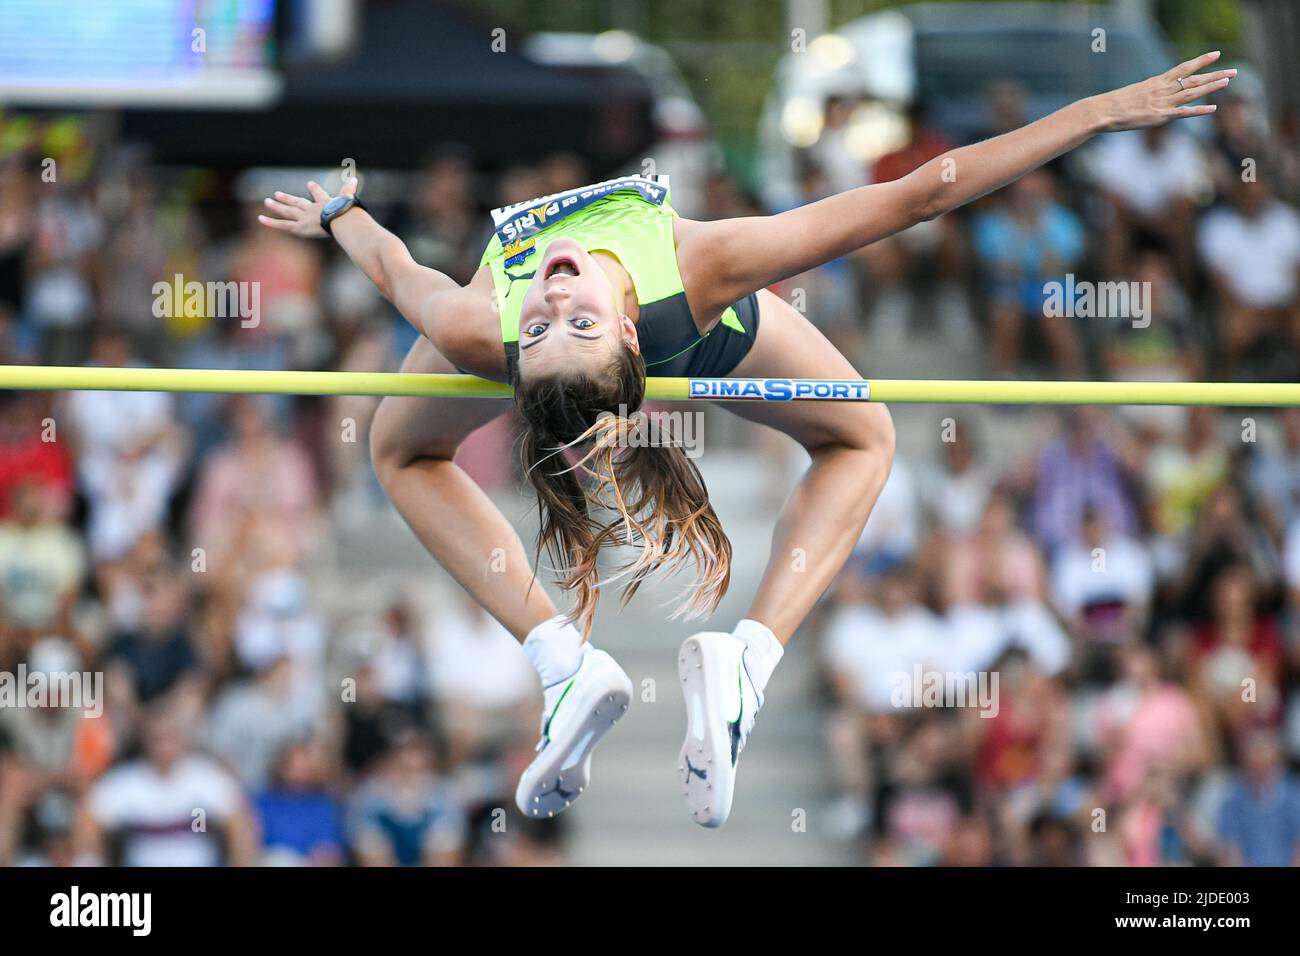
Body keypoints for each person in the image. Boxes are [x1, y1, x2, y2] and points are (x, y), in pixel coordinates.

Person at [258, 52, 1234, 829]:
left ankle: (615, 663)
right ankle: (666, 662)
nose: (553, 300)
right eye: (562, 325)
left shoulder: (534, 310)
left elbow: (398, 269)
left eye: (557, 322)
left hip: (688, 325)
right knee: (861, 437)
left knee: (402, 447)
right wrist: (1089, 117)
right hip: (697, 320)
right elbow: (915, 197)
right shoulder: (597, 296)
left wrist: (343, 214)